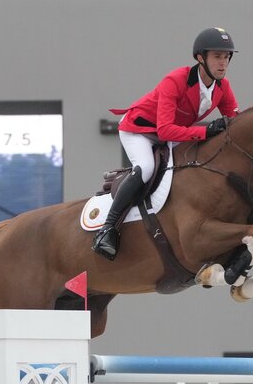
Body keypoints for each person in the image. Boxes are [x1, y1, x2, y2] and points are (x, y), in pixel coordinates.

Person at [92, 27, 240, 260]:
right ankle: (107, 229)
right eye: (217, 57)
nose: (223, 63)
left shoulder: (223, 87)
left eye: (226, 57)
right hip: (139, 130)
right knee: (146, 168)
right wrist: (206, 130)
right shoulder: (177, 80)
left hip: (172, 133)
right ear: (200, 58)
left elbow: (235, 122)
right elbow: (164, 129)